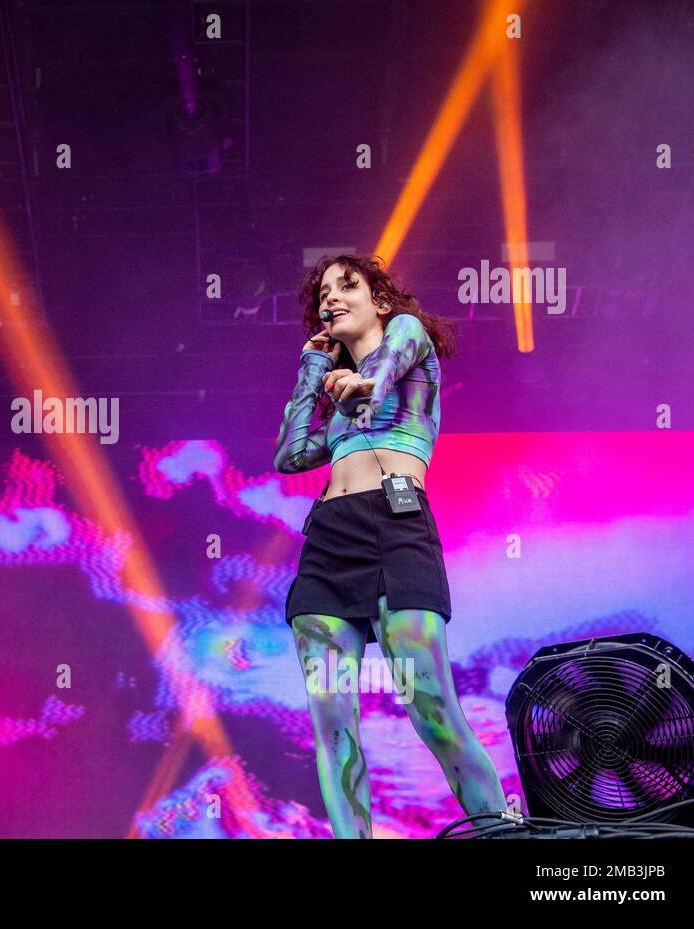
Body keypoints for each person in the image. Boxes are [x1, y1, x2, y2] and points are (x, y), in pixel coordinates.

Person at [274, 254, 504, 838]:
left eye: (346, 286)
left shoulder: (408, 339)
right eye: (322, 293)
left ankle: (500, 832)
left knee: (431, 711)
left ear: (378, 300)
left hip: (395, 527)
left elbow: (384, 368)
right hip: (329, 541)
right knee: (331, 722)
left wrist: (360, 381)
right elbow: (291, 456)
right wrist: (311, 370)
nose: (330, 298)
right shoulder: (339, 411)